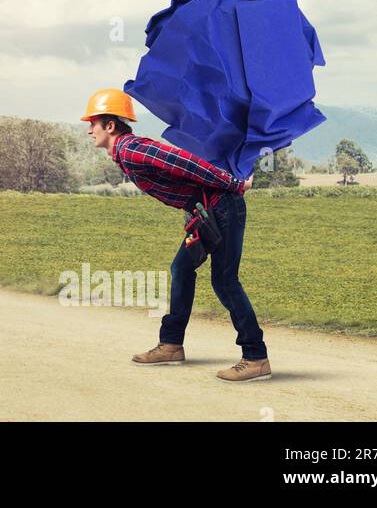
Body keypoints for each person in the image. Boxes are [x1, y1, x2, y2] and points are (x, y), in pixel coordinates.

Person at [81, 88, 271, 382]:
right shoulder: (124, 153)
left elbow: (184, 162)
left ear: (109, 125)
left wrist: (232, 184)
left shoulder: (132, 149)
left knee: (224, 280)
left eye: (92, 122)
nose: (88, 129)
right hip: (207, 211)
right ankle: (171, 345)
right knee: (181, 268)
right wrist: (194, 213)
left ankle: (256, 357)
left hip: (223, 205)